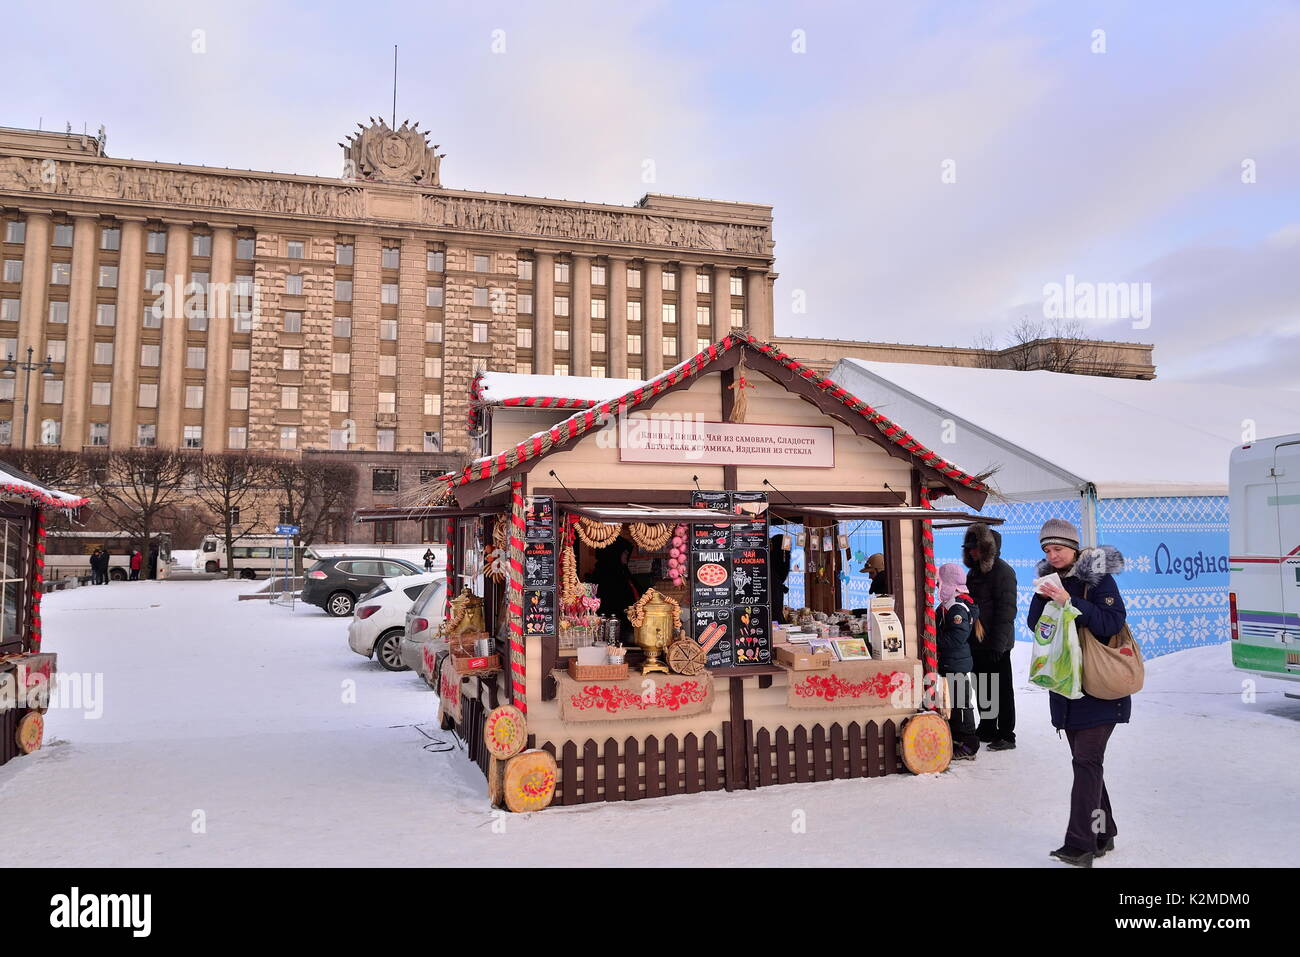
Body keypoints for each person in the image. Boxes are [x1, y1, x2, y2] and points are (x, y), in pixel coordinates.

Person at [1027, 518, 1129, 868]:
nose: (1052, 555)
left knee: (1086, 762)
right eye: (1047, 550)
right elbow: (1037, 628)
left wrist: (1071, 602)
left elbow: (1111, 622)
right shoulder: (1048, 581)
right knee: (1088, 764)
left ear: (1074, 548)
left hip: (1100, 686)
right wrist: (1044, 602)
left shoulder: (1098, 579)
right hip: (1066, 685)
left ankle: (1080, 843)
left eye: (1057, 548)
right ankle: (1103, 831)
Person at [962, 523, 1018, 750]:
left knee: (1002, 689)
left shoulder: (1003, 572)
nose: (971, 551)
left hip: (997, 643)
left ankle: (1006, 734)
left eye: (976, 547)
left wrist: (998, 644)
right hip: (977, 641)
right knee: (983, 686)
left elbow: (1007, 612)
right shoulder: (974, 572)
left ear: (987, 549)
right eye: (968, 547)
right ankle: (987, 726)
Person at [936, 563, 980, 759]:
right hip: (950, 662)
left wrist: (932, 640)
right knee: (952, 703)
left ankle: (970, 743)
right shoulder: (948, 606)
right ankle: (956, 739)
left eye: (940, 583)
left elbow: (956, 638)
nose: (938, 587)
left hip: (957, 663)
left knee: (961, 703)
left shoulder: (957, 608)